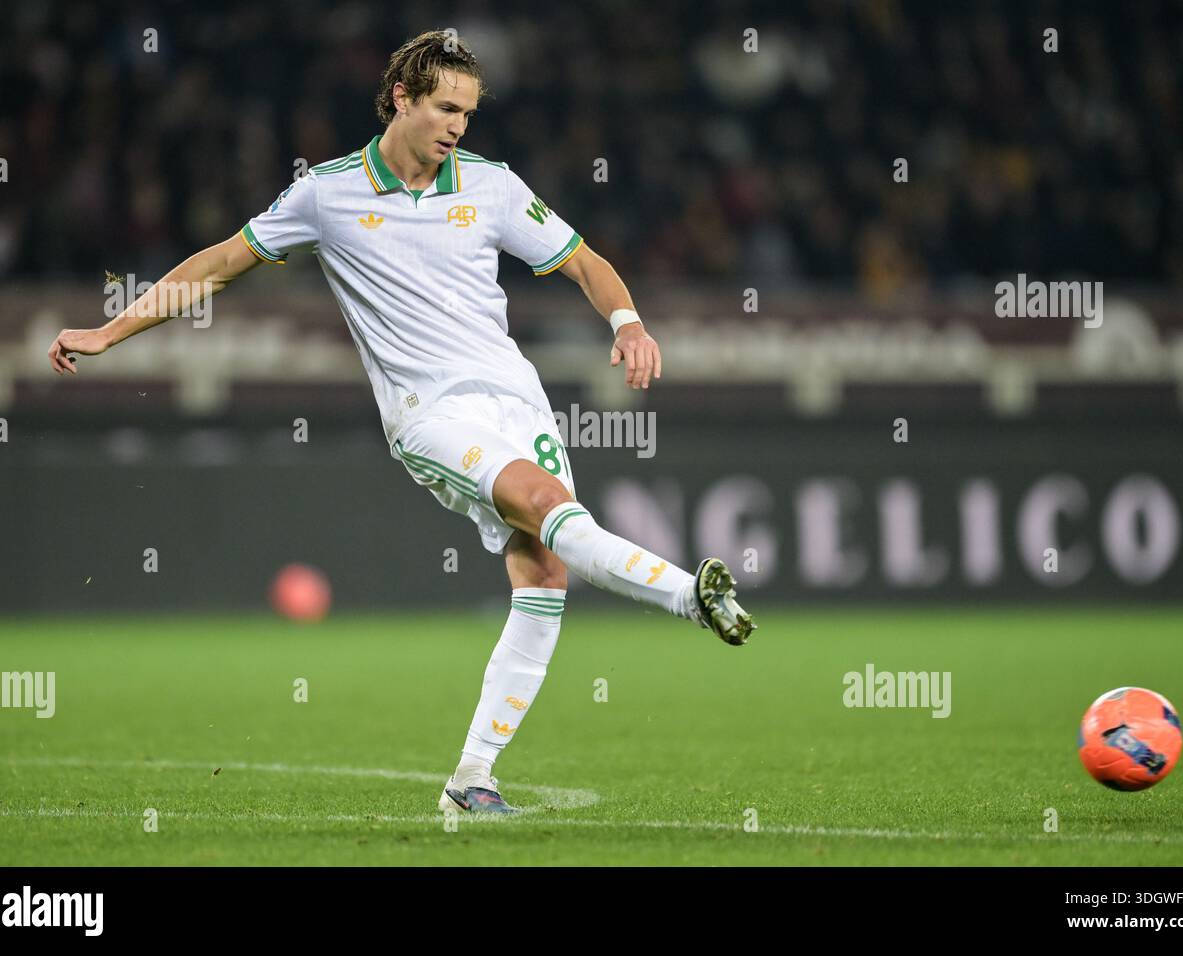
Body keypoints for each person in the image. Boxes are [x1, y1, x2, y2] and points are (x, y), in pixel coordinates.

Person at [47, 30, 756, 815]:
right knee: (552, 511)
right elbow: (217, 263)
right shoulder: (327, 192)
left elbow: (585, 261)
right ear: (401, 100)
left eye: (469, 113)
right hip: (430, 415)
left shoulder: (490, 186)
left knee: (544, 572)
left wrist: (627, 321)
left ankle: (471, 783)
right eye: (445, 108)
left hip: (517, 400)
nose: (457, 125)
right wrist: (108, 330)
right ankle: (690, 596)